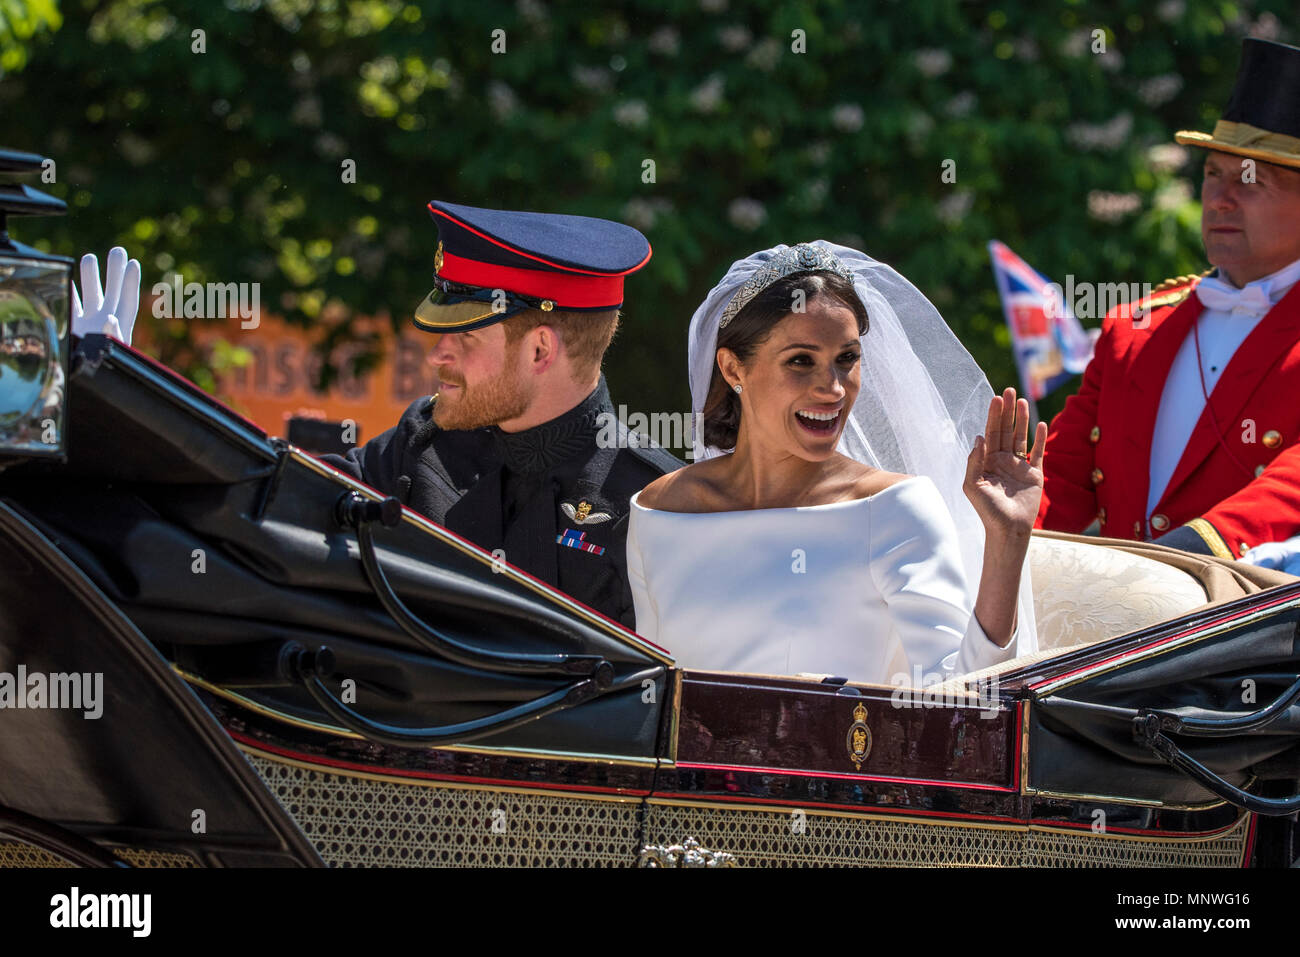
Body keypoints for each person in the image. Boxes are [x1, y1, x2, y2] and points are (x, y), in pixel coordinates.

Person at [626, 242, 1041, 682]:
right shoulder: (661, 509)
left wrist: (1007, 541)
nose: (834, 389)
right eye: (801, 361)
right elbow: (648, 691)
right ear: (733, 370)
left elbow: (960, 700)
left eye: (847, 359)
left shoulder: (896, 508)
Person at [323, 201, 683, 629]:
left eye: (467, 337)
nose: (436, 355)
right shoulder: (419, 444)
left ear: (540, 351)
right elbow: (293, 508)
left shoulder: (652, 505)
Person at [1036, 38, 1300, 561]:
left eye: (1251, 180)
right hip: (1120, 630)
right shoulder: (1133, 328)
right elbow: (1058, 482)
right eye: (1211, 175)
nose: (1220, 198)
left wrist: (1193, 552)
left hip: (1255, 629)